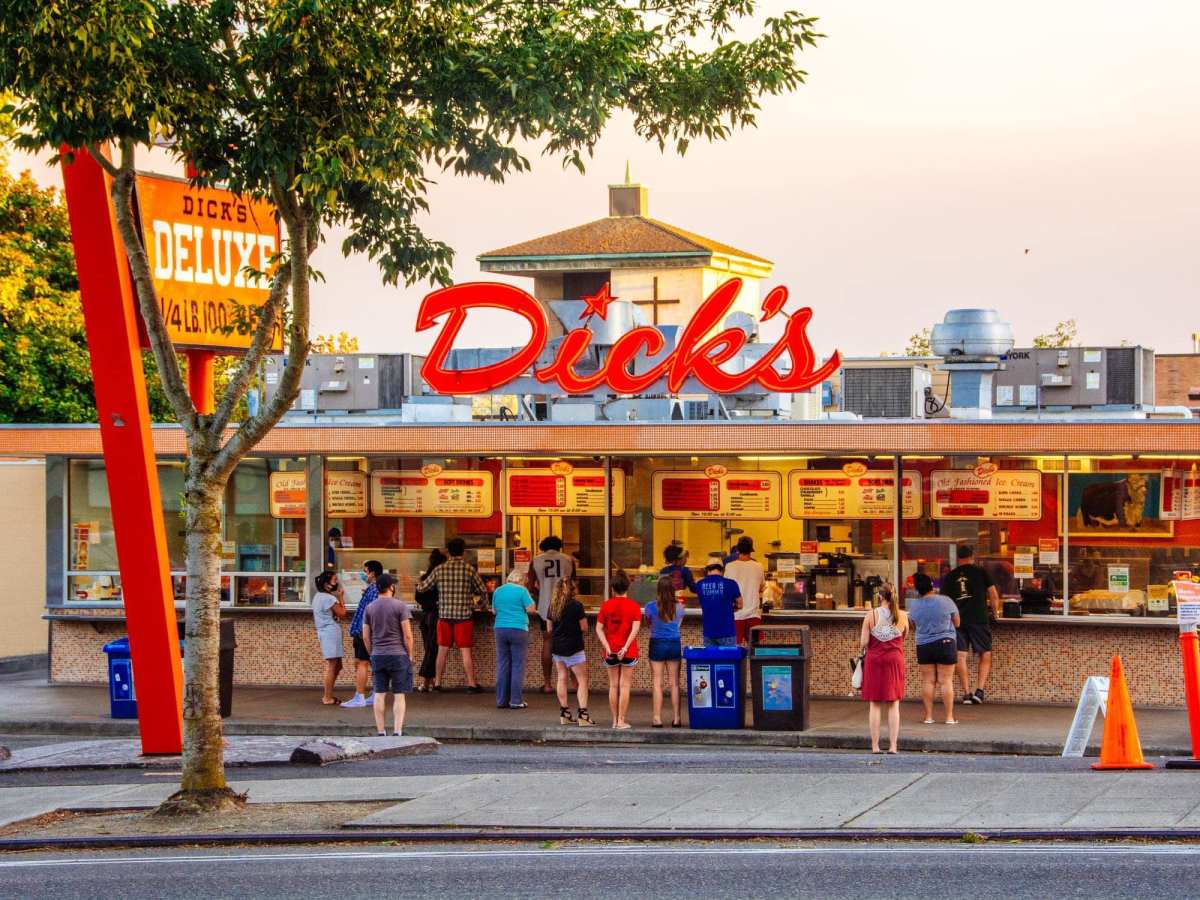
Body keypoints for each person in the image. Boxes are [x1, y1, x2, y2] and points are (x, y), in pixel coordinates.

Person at [416, 537, 485, 693]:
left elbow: (422, 588)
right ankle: (471, 684)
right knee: (465, 651)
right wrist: (481, 604)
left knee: (442, 650)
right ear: (463, 551)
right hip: (464, 617)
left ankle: (438, 683)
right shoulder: (469, 569)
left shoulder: (440, 569)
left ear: (448, 551)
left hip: (444, 616)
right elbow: (482, 590)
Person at [944, 545, 1001, 705]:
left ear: (958, 558)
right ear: (972, 556)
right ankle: (979, 691)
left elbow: (945, 601)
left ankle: (967, 693)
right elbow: (993, 595)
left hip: (958, 620)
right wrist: (995, 613)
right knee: (985, 653)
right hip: (979, 618)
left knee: (961, 655)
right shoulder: (981, 572)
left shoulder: (950, 576)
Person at [361, 573, 414, 736]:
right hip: (398, 655)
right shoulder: (400, 606)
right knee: (399, 695)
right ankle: (397, 731)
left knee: (379, 693)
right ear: (391, 587)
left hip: (378, 655)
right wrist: (410, 654)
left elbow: (365, 636)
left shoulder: (369, 608)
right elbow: (407, 635)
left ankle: (381, 731)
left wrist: (372, 653)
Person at [859, 584, 908, 753]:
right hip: (895, 660)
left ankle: (875, 746)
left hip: (875, 660)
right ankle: (893, 746)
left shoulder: (870, 615)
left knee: (875, 703)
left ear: (880, 596)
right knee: (894, 703)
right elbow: (904, 636)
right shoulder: (902, 616)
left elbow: (864, 643)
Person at [907, 572, 961, 725]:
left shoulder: (915, 605)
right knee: (946, 681)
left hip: (924, 644)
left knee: (928, 681)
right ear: (931, 585)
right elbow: (957, 623)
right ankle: (949, 717)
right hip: (946, 642)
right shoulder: (946, 601)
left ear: (917, 589)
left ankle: (928, 717)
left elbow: (912, 624)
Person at [595, 569, 641, 729]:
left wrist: (607, 646)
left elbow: (598, 628)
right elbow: (635, 630)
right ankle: (622, 720)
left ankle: (614, 720)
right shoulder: (634, 606)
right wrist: (625, 647)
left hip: (611, 650)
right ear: (627, 587)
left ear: (613, 589)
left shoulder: (606, 606)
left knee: (613, 685)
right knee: (625, 685)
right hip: (628, 651)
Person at [530, 535, 575, 693]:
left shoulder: (536, 560)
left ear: (543, 547)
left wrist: (539, 596)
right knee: (569, 641)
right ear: (559, 546)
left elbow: (531, 585)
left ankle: (548, 684)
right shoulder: (568, 560)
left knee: (548, 642)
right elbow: (573, 583)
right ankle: (574, 683)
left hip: (545, 607)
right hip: (566, 606)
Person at [548, 578, 595, 726]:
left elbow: (549, 628)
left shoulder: (552, 606)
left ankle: (565, 713)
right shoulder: (576, 606)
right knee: (582, 680)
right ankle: (583, 715)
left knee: (561, 677)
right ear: (572, 590)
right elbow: (584, 627)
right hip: (574, 647)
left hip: (557, 647)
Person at [492, 568, 537, 709]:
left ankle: (501, 701)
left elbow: (494, 610)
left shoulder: (498, 591)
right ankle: (516, 701)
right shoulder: (522, 591)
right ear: (521, 580)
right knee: (517, 665)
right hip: (518, 629)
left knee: (502, 664)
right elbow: (531, 609)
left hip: (500, 629)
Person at [644, 577, 686, 727]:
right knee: (674, 683)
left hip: (656, 643)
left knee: (657, 683)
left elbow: (648, 623)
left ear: (658, 590)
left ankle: (657, 718)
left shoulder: (650, 606)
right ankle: (677, 718)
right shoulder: (680, 607)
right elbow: (678, 625)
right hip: (674, 642)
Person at [342, 559, 383, 708]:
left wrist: (365, 633)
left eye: (365, 571)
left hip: (364, 632)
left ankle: (359, 696)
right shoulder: (374, 588)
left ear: (372, 572)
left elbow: (371, 612)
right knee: (371, 663)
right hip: (366, 632)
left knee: (362, 663)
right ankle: (375, 694)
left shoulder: (374, 589)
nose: (363, 574)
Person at [311, 570, 347, 705]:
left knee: (338, 665)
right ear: (326, 584)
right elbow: (342, 613)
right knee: (333, 665)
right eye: (334, 580)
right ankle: (327, 697)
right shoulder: (329, 598)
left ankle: (329, 694)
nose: (336, 583)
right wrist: (341, 597)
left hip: (326, 632)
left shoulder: (318, 596)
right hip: (330, 633)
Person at [413, 549, 445, 692]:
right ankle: (426, 681)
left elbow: (418, 596)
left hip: (425, 617)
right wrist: (436, 603)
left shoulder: (425, 577)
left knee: (429, 649)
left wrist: (427, 605)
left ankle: (428, 681)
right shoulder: (441, 579)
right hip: (436, 616)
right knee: (432, 650)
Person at [725, 536, 765, 646]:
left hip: (735, 615)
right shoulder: (759, 566)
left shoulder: (729, 566)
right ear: (751, 550)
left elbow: (726, 589)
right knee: (757, 650)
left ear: (738, 549)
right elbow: (761, 587)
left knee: (733, 651)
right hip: (753, 614)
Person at [695, 562, 742, 647]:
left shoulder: (699, 584)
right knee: (728, 659)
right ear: (722, 571)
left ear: (708, 571)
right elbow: (740, 604)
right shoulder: (731, 583)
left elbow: (702, 601)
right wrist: (732, 608)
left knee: (711, 659)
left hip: (708, 632)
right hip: (727, 631)